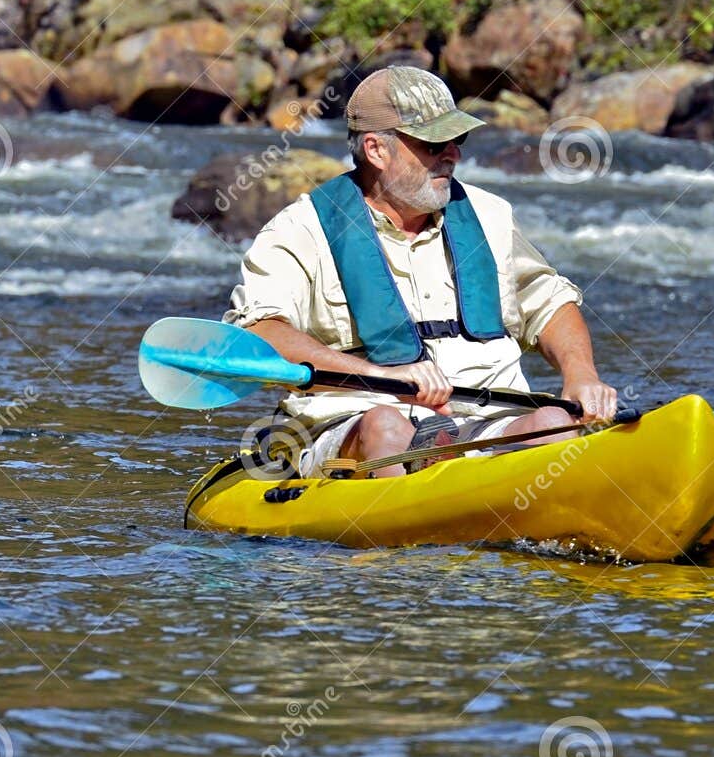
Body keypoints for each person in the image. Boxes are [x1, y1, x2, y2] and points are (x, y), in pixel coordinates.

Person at [225, 65, 617, 478]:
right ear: (377, 150)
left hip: (491, 423)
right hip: (355, 424)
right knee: (387, 427)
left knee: (553, 423)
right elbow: (260, 333)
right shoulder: (300, 229)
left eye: (456, 139)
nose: (453, 154)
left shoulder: (490, 216)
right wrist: (378, 375)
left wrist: (581, 375)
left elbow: (550, 304)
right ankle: (414, 514)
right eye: (434, 144)